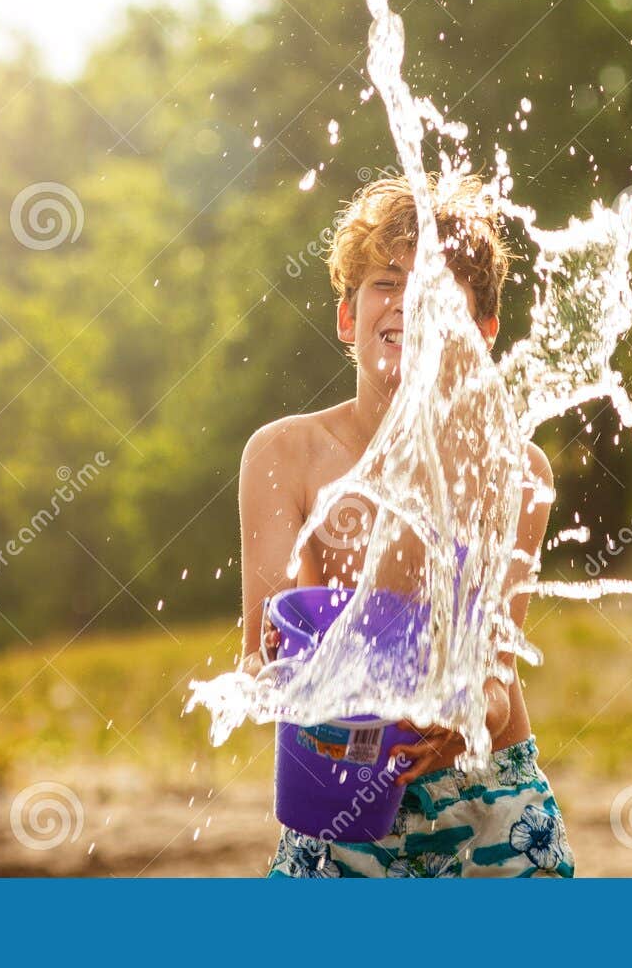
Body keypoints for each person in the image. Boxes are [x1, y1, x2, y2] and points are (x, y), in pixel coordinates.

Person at [238, 171, 575, 878]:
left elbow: (496, 667)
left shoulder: (513, 467)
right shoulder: (285, 455)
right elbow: (266, 653)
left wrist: (468, 712)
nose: (408, 300)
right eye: (387, 283)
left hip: (488, 803)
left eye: (437, 288)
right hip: (338, 800)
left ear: (482, 333)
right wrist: (276, 663)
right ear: (347, 318)